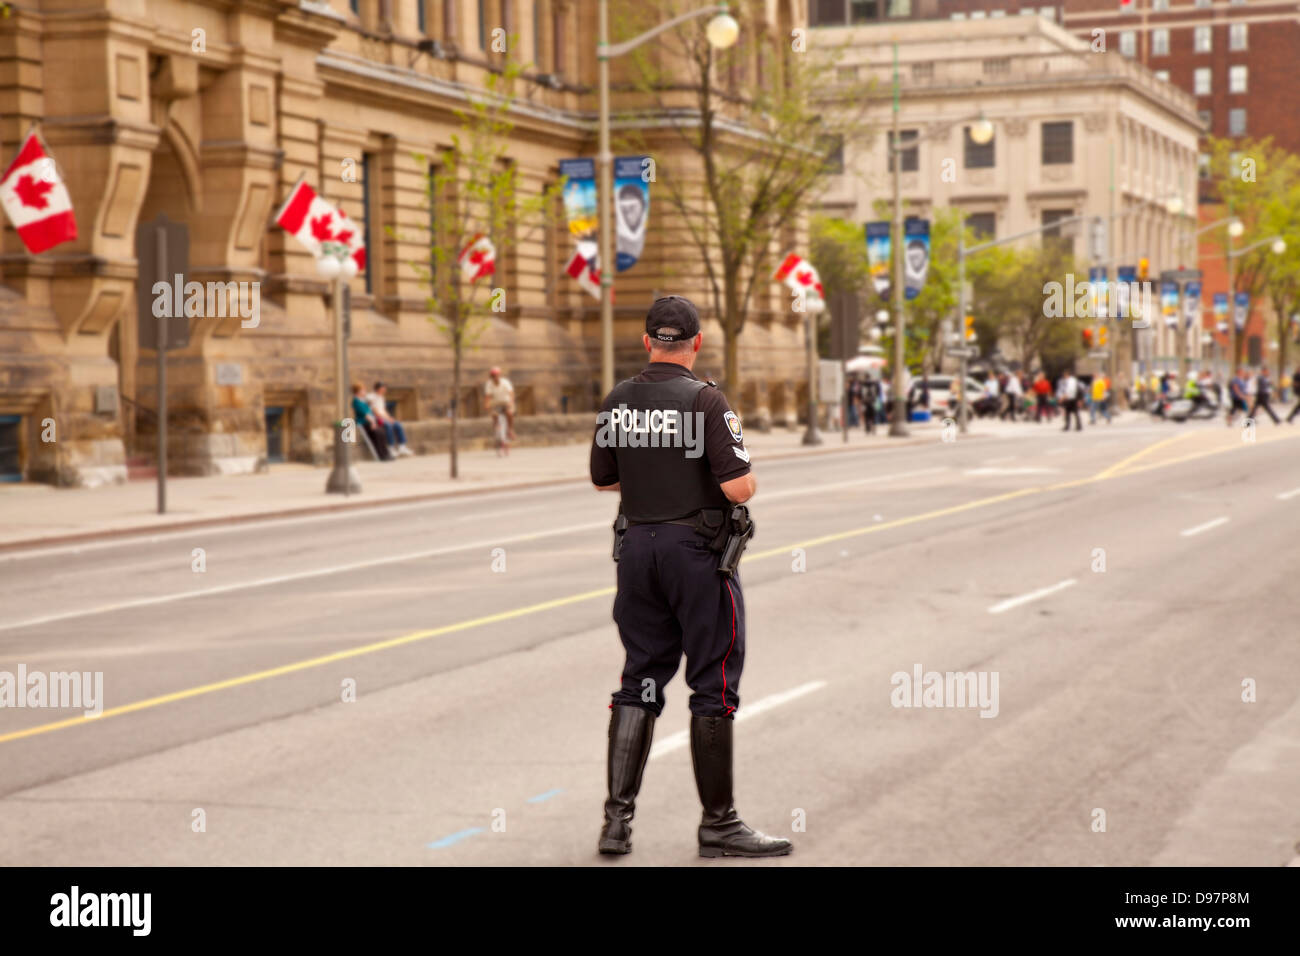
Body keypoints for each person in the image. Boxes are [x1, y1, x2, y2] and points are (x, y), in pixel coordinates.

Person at [589, 294, 791, 860]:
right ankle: (718, 824)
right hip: (696, 553)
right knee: (713, 682)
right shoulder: (706, 402)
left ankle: (616, 824)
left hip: (636, 552)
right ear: (696, 343)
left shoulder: (618, 401)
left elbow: (604, 479)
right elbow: (737, 487)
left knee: (641, 679)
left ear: (647, 342)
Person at [367, 381, 413, 456]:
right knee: (388, 426)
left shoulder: (381, 397)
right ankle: (390, 447)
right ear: (378, 389)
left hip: (384, 417)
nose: (385, 390)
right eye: (383, 388)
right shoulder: (371, 397)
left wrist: (390, 418)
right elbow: (375, 411)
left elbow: (384, 410)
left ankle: (402, 446)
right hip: (377, 418)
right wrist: (387, 419)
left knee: (397, 424)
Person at [350, 383, 392, 460]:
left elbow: (370, 412)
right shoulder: (356, 402)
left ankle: (386, 453)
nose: (365, 392)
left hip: (371, 422)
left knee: (382, 432)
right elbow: (365, 414)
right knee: (377, 433)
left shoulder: (363, 401)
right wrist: (373, 423)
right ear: (358, 391)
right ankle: (381, 455)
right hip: (364, 423)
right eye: (363, 390)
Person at [484, 367, 516, 441]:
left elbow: (511, 393)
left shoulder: (505, 382)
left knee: (509, 413)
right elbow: (487, 396)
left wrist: (511, 402)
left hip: (506, 401)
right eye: (493, 376)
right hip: (496, 403)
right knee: (494, 414)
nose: (495, 377)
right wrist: (486, 404)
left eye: (496, 375)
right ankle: (496, 427)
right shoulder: (489, 384)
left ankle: (510, 429)